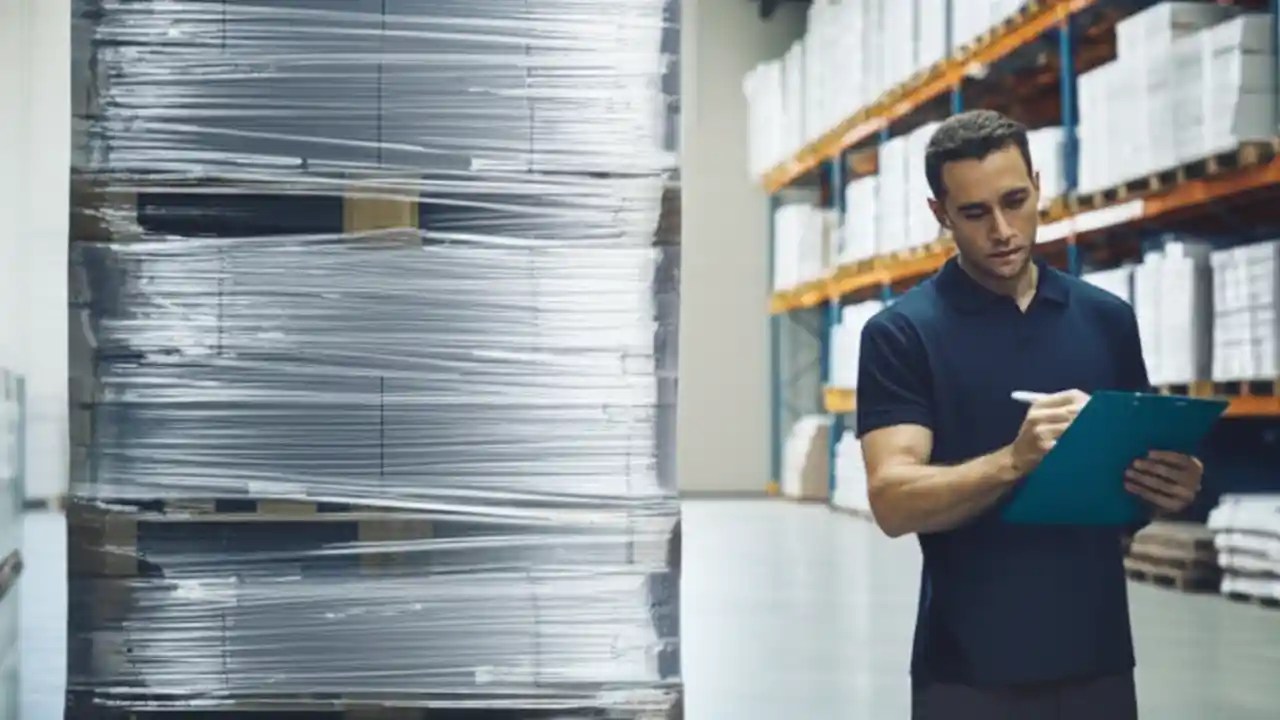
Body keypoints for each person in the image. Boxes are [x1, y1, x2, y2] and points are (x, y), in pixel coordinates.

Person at [855, 109, 1205, 720]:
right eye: (974, 213)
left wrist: (1166, 486)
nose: (1002, 229)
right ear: (940, 215)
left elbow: (1131, 489)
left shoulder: (1106, 320)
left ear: (1039, 186)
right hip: (968, 670)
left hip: (1096, 659)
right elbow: (893, 499)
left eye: (1015, 201)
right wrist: (1014, 461)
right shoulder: (903, 334)